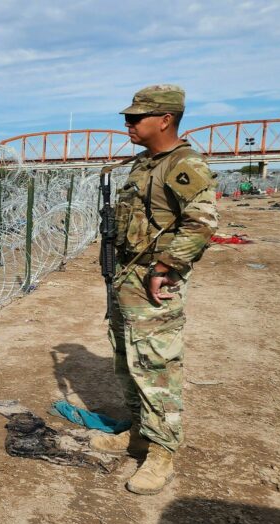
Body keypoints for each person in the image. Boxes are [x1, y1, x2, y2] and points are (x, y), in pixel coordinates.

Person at [89, 84, 219, 495]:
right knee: (127, 356)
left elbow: (202, 223)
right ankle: (139, 433)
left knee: (156, 363)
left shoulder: (183, 164)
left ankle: (162, 452)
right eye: (127, 117)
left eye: (135, 117)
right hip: (128, 275)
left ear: (165, 120)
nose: (128, 124)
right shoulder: (144, 164)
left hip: (155, 279)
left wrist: (165, 267)